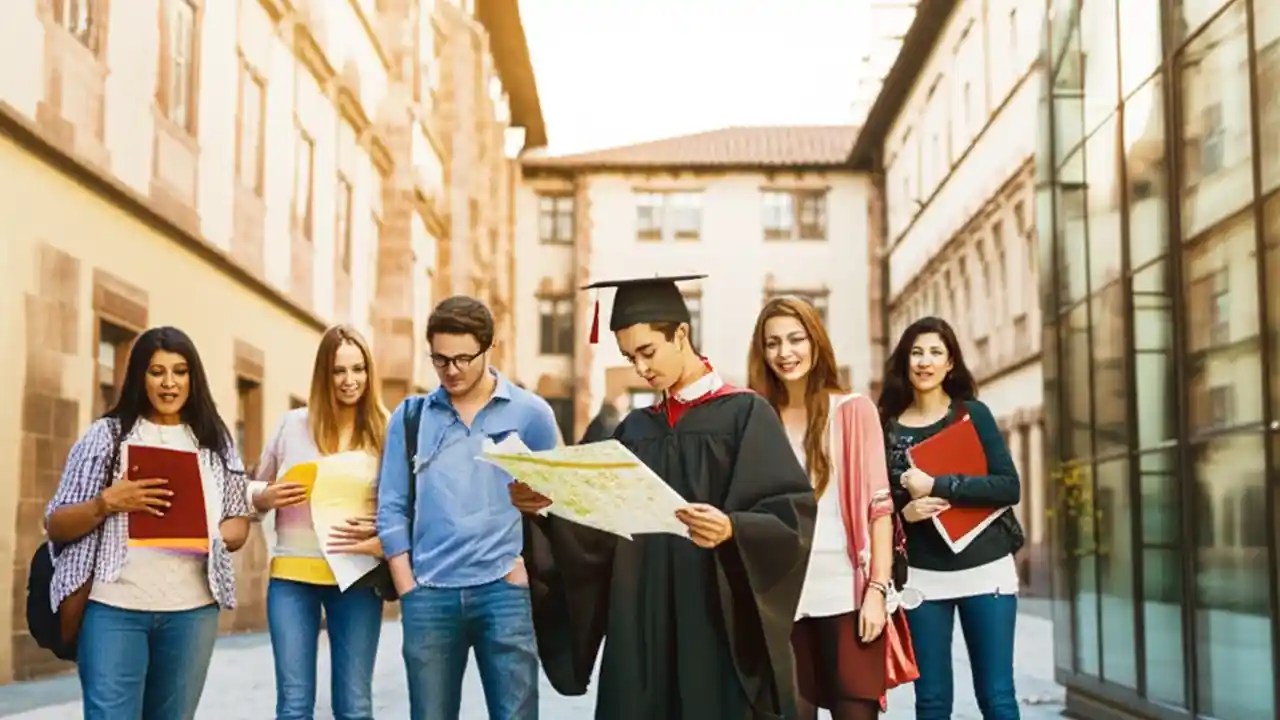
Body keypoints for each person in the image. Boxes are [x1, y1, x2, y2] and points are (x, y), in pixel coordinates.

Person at [510, 274, 816, 719]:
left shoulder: (746, 414)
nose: (641, 369)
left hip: (713, 619)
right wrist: (547, 510)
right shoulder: (635, 430)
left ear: (681, 334)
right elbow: (598, 535)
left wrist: (733, 528)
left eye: (647, 352)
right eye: (630, 358)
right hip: (641, 619)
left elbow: (789, 516)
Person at [44, 326, 251, 719]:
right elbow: (56, 524)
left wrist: (204, 533)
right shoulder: (107, 437)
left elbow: (237, 523)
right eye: (157, 372)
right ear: (140, 376)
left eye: (180, 371)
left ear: (194, 378)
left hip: (192, 611)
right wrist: (105, 503)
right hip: (114, 608)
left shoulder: (215, 441)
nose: (169, 383)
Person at [376, 296, 561, 720]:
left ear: (488, 347)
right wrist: (408, 587)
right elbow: (391, 507)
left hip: (503, 592)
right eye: (440, 360)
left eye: (462, 358)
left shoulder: (532, 415)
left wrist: (522, 569)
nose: (451, 370)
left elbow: (559, 503)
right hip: (429, 597)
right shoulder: (410, 417)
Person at [748, 297, 894, 720]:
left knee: (856, 713)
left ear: (815, 341)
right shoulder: (757, 417)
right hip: (782, 599)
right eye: (772, 342)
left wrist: (876, 592)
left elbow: (879, 508)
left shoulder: (852, 411)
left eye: (795, 339)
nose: (784, 352)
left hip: (845, 594)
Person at [877, 317, 1024, 720]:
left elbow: (1008, 487)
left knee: (996, 696)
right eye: (917, 352)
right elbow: (876, 503)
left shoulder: (972, 416)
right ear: (905, 361)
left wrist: (938, 484)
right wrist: (905, 513)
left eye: (935, 353)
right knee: (932, 701)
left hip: (986, 569)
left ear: (950, 363)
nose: (925, 362)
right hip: (922, 577)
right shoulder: (886, 426)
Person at [248, 325, 390, 720]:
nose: (350, 381)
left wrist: (382, 530)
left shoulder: (386, 428)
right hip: (293, 579)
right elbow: (251, 494)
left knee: (355, 706)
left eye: (358, 369)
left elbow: (403, 507)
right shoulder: (291, 426)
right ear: (323, 375)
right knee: (293, 706)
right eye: (338, 371)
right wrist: (263, 495)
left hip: (358, 578)